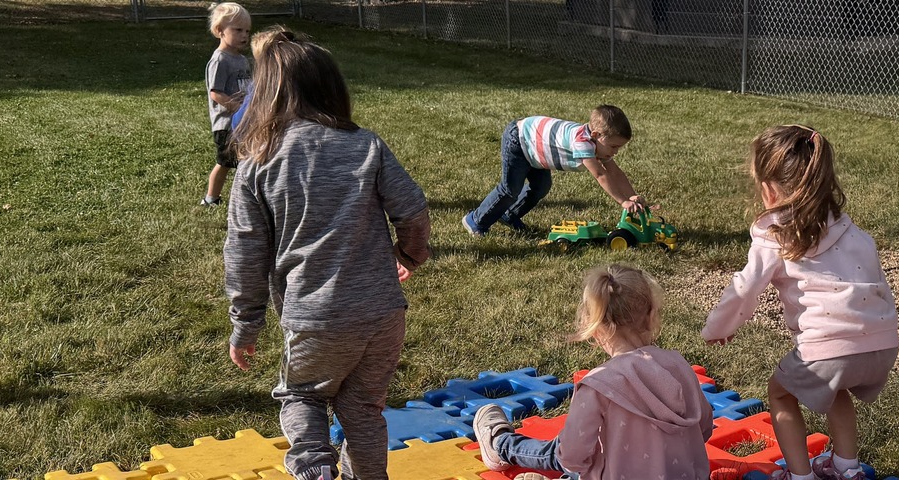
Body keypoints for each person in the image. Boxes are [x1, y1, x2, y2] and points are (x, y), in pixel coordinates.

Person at [223, 28, 433, 480]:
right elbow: (414, 212)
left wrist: (246, 324)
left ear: (267, 94)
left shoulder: (258, 161)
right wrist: (411, 256)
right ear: (332, 88)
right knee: (363, 408)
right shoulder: (365, 144)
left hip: (316, 318)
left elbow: (244, 253)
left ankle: (316, 472)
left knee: (303, 397)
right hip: (383, 314)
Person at [702, 125, 899, 480]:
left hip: (828, 349)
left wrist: (719, 327)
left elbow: (746, 289)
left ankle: (799, 475)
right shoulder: (845, 227)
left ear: (767, 189)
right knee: (834, 390)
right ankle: (846, 468)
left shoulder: (775, 234)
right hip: (883, 342)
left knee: (780, 395)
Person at [473, 264, 714, 479]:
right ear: (651, 315)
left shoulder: (598, 385)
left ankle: (500, 445)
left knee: (567, 454)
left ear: (595, 327)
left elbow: (571, 458)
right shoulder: (678, 365)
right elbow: (703, 429)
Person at [462, 106, 650, 236]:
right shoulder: (582, 143)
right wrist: (622, 201)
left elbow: (615, 172)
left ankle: (509, 215)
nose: (615, 152)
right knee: (510, 189)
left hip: (536, 150)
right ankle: (475, 220)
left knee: (541, 186)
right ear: (596, 135)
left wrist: (632, 196)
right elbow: (601, 175)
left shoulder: (600, 145)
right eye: (614, 146)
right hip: (520, 141)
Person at [201, 2, 252, 206]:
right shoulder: (219, 60)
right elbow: (215, 93)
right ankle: (211, 198)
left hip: (243, 122)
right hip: (226, 125)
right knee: (224, 163)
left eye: (247, 31)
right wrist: (235, 107)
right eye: (238, 30)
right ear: (220, 31)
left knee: (246, 161)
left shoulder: (242, 59)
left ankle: (247, 199)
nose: (244, 35)